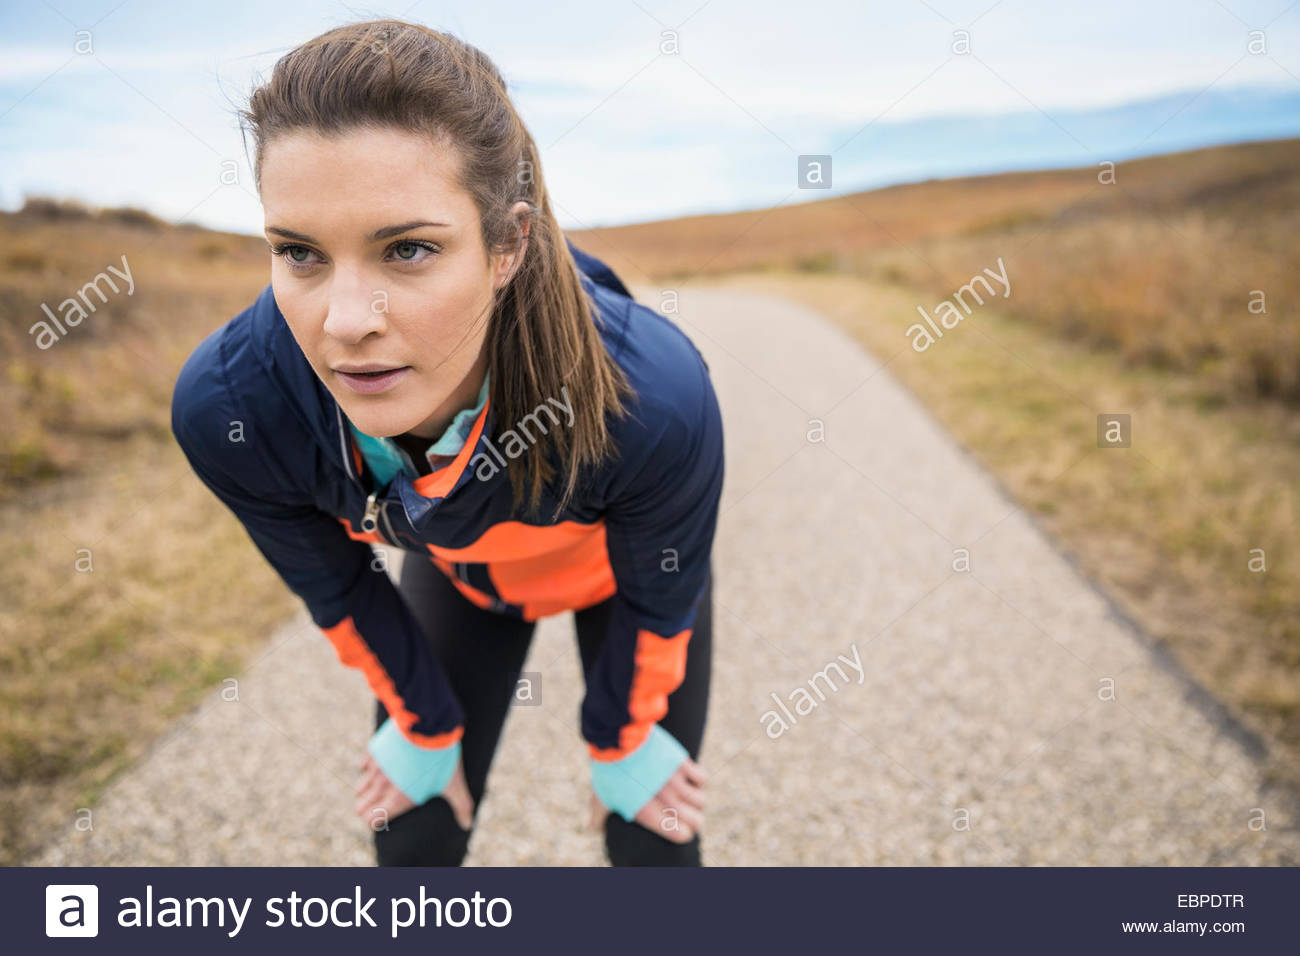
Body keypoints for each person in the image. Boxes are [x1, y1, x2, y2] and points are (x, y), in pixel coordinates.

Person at [169, 19, 725, 866]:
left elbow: (661, 598)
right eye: (301, 253)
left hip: (624, 578)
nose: (346, 324)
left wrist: (622, 744)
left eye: (410, 250)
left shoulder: (655, 398)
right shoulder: (230, 411)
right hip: (465, 581)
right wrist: (425, 730)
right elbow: (337, 585)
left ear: (508, 245)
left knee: (651, 833)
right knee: (414, 829)